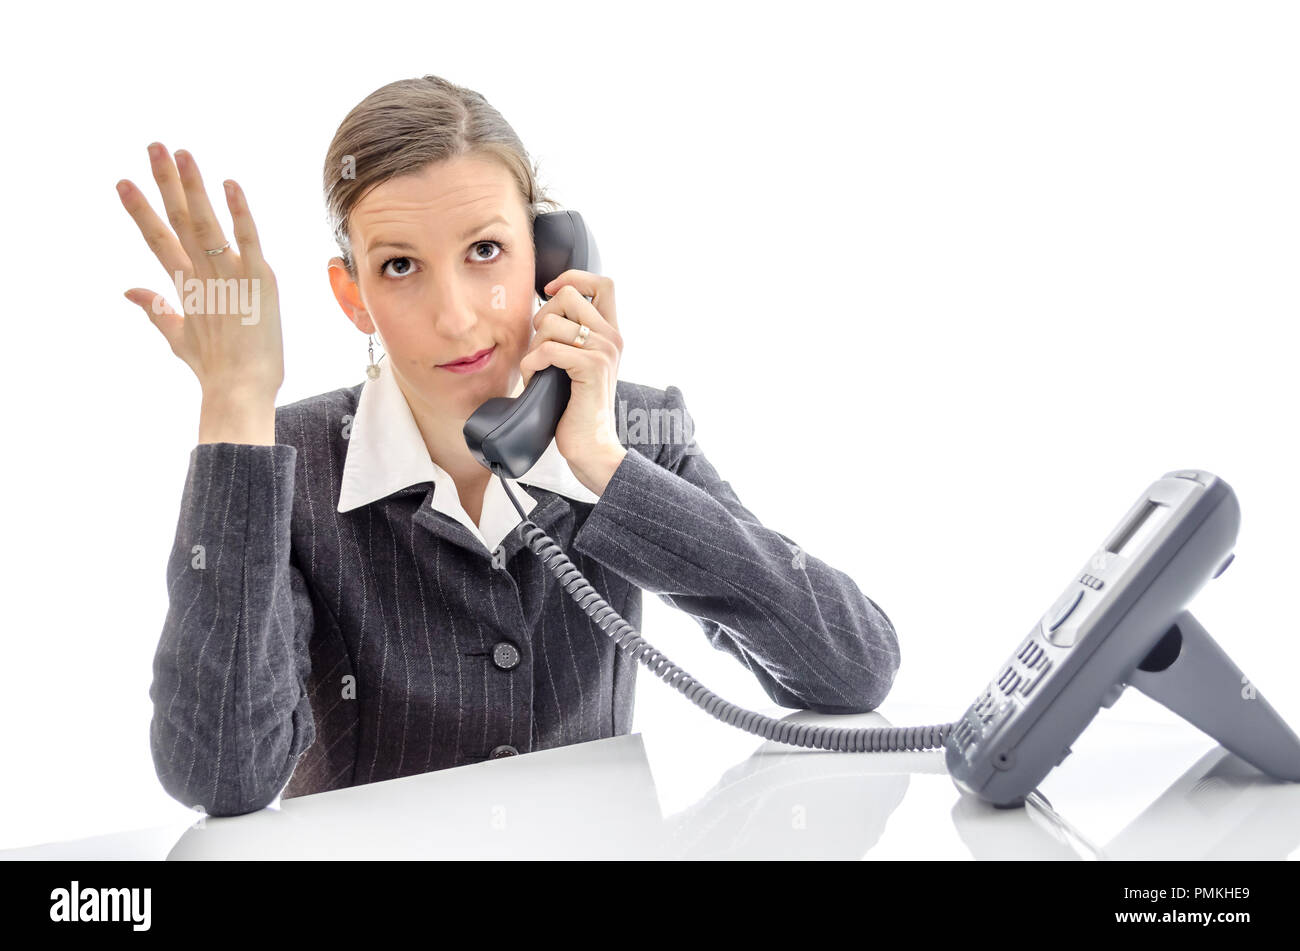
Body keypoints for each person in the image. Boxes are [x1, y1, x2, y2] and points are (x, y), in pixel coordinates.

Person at [116, 75, 901, 818]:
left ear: (551, 259)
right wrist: (235, 403)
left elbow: (851, 665)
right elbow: (220, 773)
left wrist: (604, 466)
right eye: (399, 267)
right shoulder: (283, 459)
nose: (455, 317)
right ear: (353, 294)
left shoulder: (636, 434)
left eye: (485, 251)